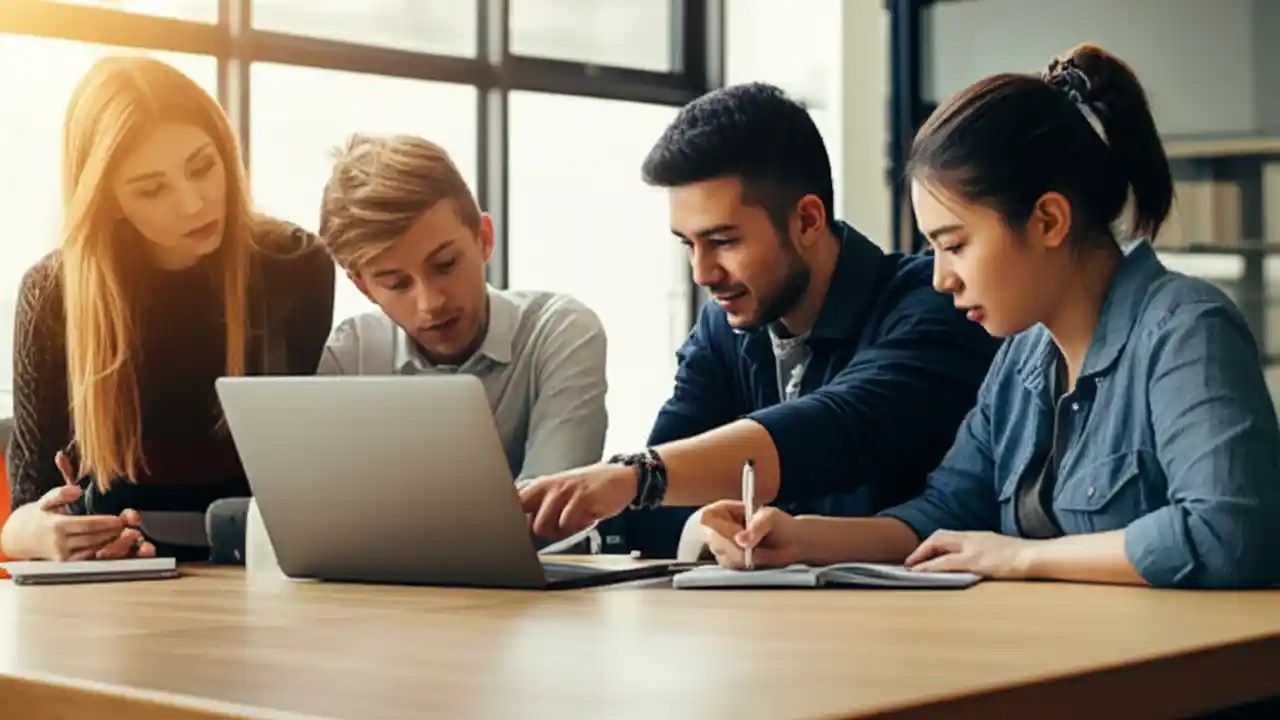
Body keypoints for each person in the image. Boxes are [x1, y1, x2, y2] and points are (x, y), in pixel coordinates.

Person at [697, 44, 1280, 589]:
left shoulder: (1185, 329)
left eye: (955, 245)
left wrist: (1023, 556)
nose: (940, 278)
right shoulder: (1024, 358)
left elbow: (1228, 533)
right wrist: (801, 539)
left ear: (1049, 220)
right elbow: (945, 513)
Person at [518, 82, 1001, 558]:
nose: (703, 273)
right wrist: (705, 530)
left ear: (808, 221)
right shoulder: (722, 330)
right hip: (764, 628)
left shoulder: (935, 306)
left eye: (724, 242)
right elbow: (656, 501)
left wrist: (639, 476)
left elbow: (837, 426)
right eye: (688, 245)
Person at [1, 57, 335, 562]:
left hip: (256, 571)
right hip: (112, 592)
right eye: (152, 189)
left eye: (203, 166)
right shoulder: (54, 293)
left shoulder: (293, 266)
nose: (194, 203)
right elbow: (25, 512)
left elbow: (300, 478)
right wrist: (48, 536)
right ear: (107, 199)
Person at [315, 134, 607, 485]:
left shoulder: (560, 332)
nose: (431, 303)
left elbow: (555, 511)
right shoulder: (350, 356)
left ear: (484, 238)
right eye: (397, 284)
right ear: (364, 287)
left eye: (446, 264)